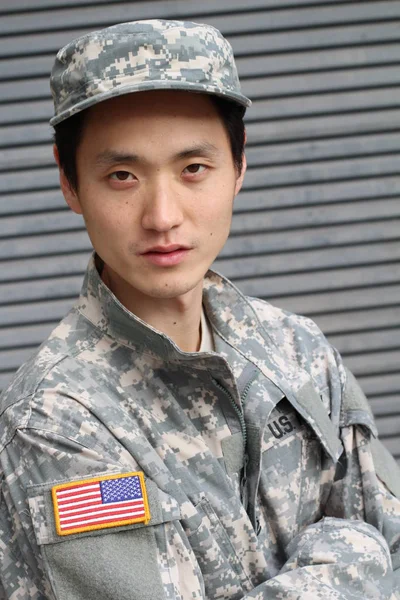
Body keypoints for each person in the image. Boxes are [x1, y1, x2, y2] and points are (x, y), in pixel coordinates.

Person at [0, 18, 399, 600]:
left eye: (193, 169)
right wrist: (353, 554)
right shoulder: (56, 424)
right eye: (122, 175)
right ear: (69, 181)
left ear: (239, 165)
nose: (162, 216)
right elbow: (377, 549)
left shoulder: (297, 352)